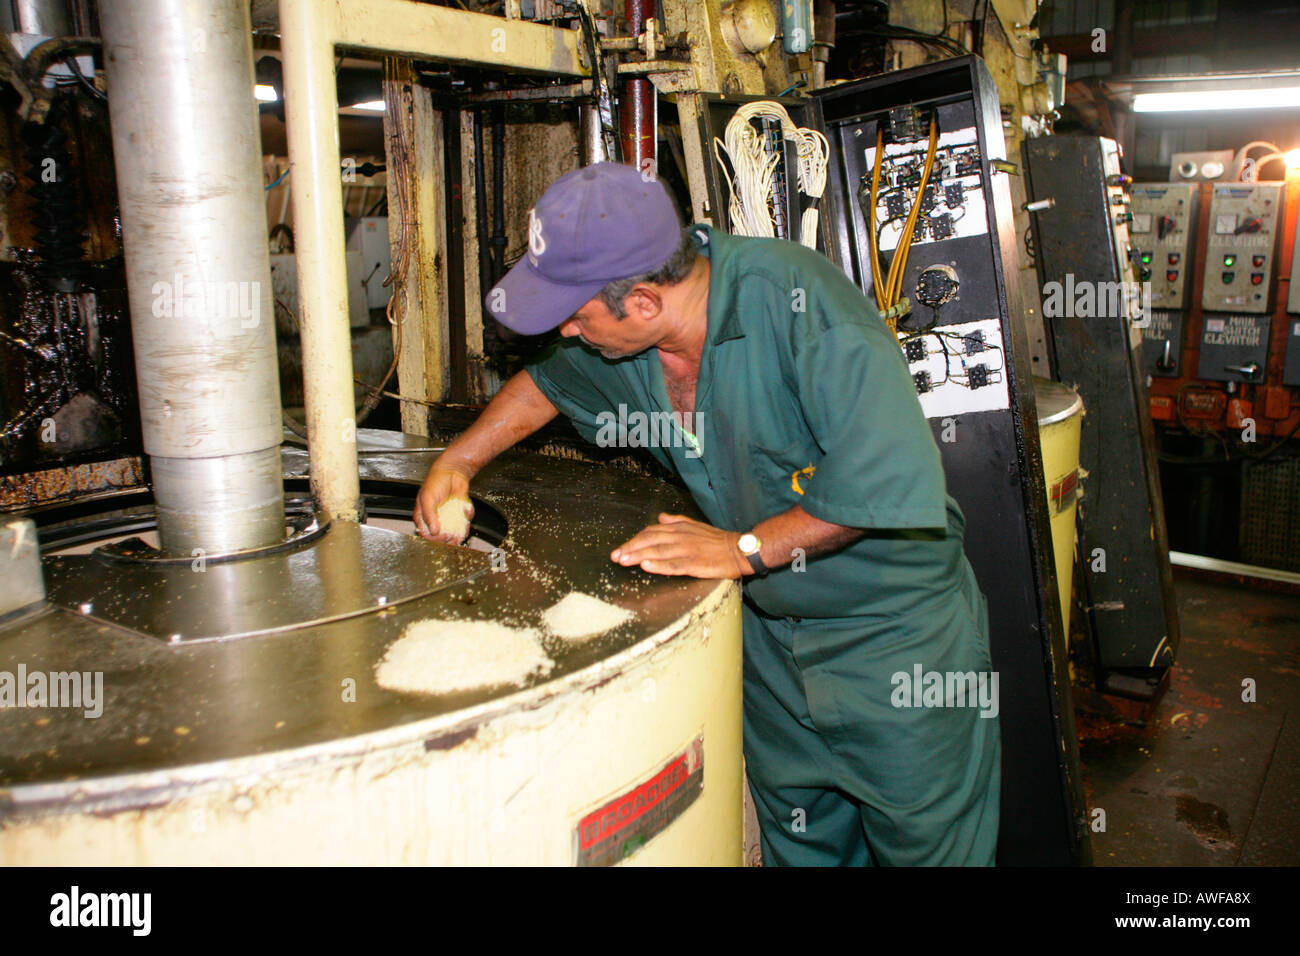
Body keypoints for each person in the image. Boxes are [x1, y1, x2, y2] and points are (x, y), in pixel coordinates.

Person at [413, 161, 1000, 866]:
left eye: (576, 314)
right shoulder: (627, 343)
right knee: (806, 847)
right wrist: (458, 463)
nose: (566, 332)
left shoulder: (802, 306)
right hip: (772, 648)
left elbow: (884, 480)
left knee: (929, 851)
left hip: (894, 640)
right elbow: (544, 385)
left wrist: (740, 549)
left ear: (645, 301)